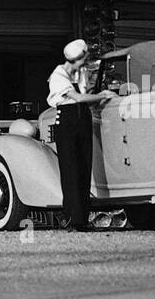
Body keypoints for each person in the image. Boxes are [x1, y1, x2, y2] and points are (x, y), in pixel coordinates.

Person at [47, 38, 115, 231]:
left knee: (85, 167)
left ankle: (82, 219)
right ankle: (72, 219)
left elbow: (86, 98)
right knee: (71, 170)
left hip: (83, 118)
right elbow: (77, 97)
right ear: (78, 58)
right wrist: (103, 96)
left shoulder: (81, 73)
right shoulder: (58, 75)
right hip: (67, 121)